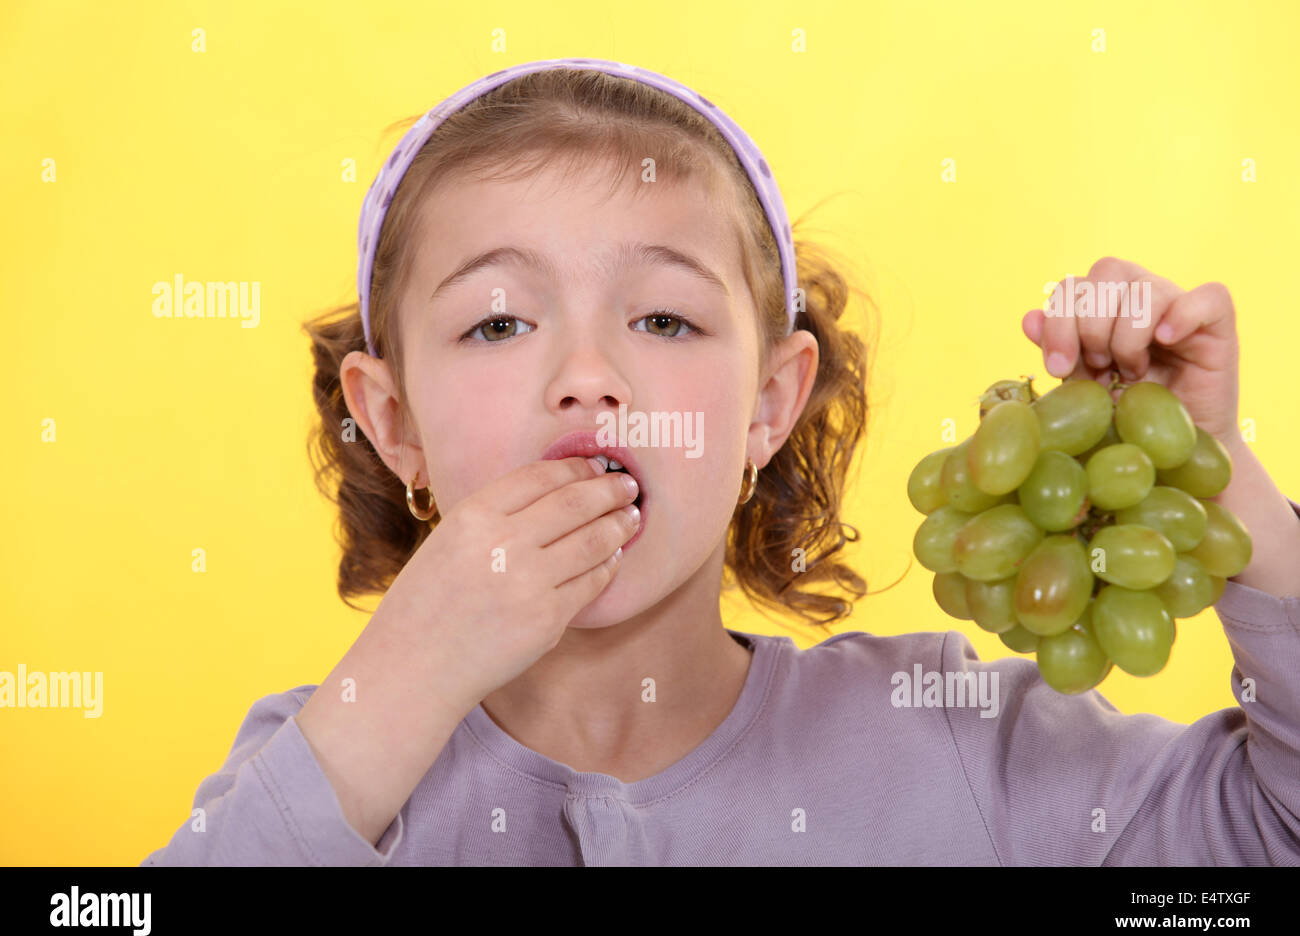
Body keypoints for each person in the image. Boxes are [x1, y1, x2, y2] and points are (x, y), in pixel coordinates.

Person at [142, 59, 1300, 866]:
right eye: (499, 322)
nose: (587, 373)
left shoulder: (959, 740)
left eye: (663, 320)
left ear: (766, 407)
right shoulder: (328, 766)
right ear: (394, 425)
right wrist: (393, 684)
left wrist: (1220, 483)